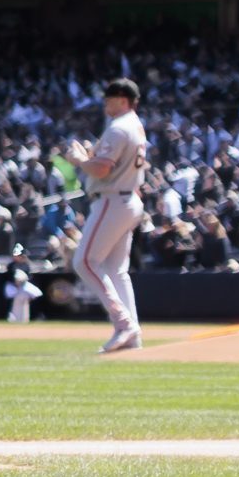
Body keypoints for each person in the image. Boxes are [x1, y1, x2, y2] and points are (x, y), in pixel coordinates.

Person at [67, 75, 148, 353]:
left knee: (84, 262)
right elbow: (108, 163)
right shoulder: (135, 126)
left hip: (112, 200)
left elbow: (101, 169)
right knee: (115, 270)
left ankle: (124, 323)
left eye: (109, 98)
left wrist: (80, 161)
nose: (105, 103)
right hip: (127, 198)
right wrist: (91, 157)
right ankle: (132, 333)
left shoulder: (119, 127)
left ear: (123, 100)